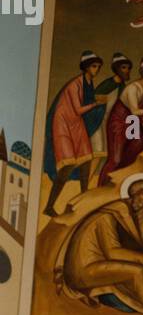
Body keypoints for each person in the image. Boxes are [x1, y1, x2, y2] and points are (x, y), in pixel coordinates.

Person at [54, 177, 143, 315]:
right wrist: (141, 258)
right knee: (139, 269)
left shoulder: (126, 215)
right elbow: (111, 251)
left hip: (100, 264)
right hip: (83, 269)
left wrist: (141, 214)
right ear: (134, 193)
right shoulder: (108, 215)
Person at [43, 51, 109, 217]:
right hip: (63, 124)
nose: (97, 69)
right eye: (94, 66)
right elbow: (78, 109)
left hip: (76, 123)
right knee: (68, 165)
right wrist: (96, 104)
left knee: (86, 159)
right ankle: (49, 206)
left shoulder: (89, 82)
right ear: (86, 67)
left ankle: (84, 198)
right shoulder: (75, 84)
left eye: (98, 67)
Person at [99, 57, 143, 184]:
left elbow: (141, 113)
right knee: (116, 159)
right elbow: (135, 111)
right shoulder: (133, 88)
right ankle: (102, 186)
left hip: (132, 123)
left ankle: (122, 184)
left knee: (138, 152)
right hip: (119, 123)